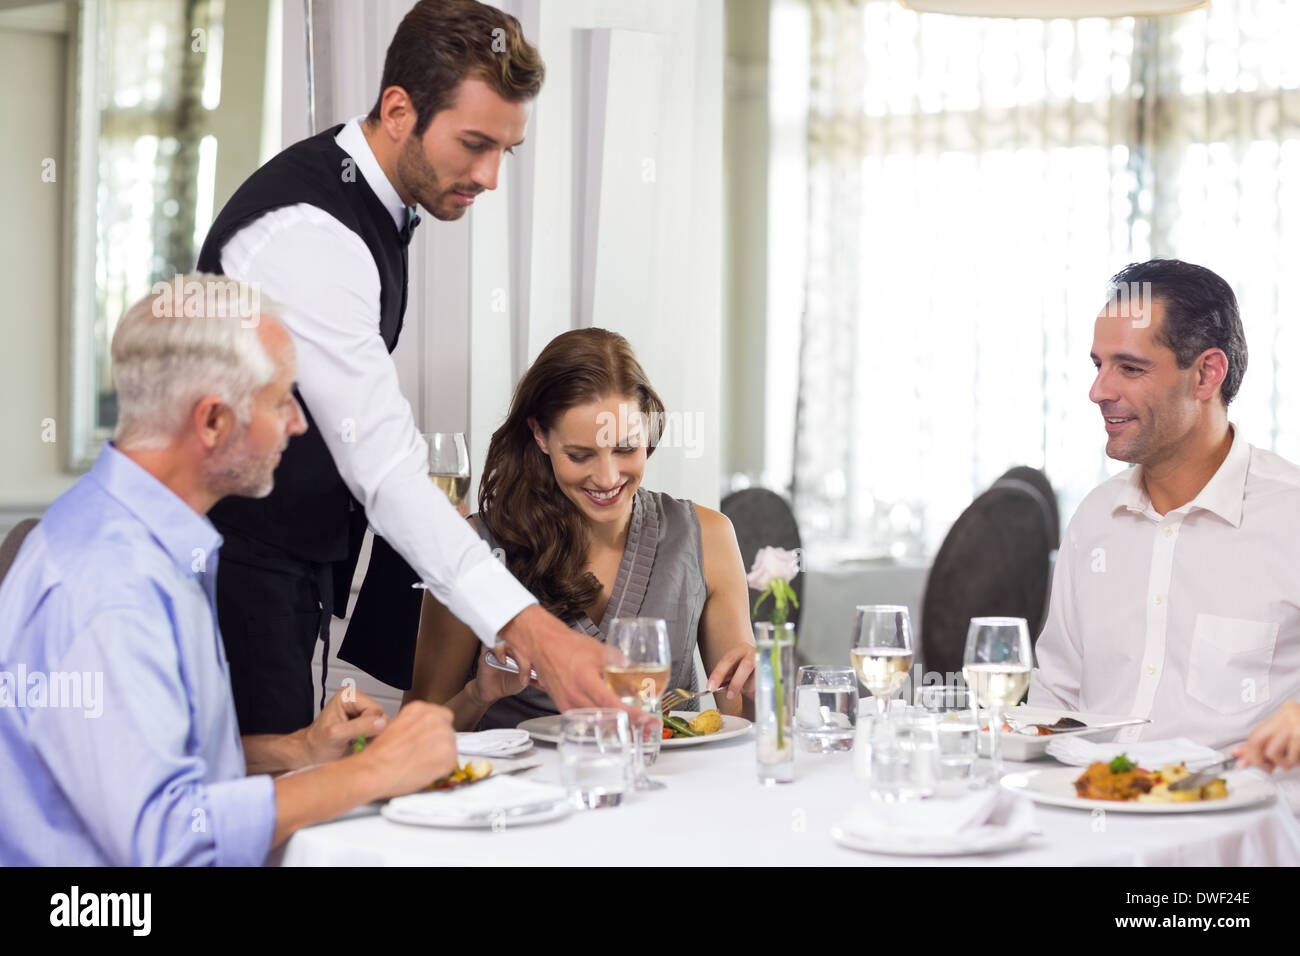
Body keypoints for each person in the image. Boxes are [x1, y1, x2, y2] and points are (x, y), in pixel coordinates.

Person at [194, 0, 628, 736]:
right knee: (260, 818)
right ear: (399, 109)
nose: (490, 176)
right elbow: (385, 466)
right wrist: (532, 629)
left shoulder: (370, 206)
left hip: (292, 567)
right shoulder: (313, 235)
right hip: (240, 568)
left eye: (505, 151)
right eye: (473, 143)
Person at [0, 279, 456, 865]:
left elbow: (143, 761)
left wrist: (299, 749)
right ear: (213, 421)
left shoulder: (135, 535)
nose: (296, 424)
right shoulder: (111, 585)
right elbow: (168, 844)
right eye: (280, 400)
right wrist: (373, 772)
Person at [404, 329, 757, 730]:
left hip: (664, 788)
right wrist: (478, 694)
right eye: (579, 455)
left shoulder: (708, 537)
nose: (607, 478)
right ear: (540, 435)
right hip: (519, 790)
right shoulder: (476, 548)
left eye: (626, 449)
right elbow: (413, 737)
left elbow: (739, 726)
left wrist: (757, 687)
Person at [1029, 259, 1300, 752]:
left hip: (1240, 821)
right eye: (1098, 365)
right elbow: (1054, 705)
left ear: (1206, 374)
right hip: (1090, 812)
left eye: (1129, 368)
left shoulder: (1290, 518)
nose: (1098, 392)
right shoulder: (1095, 520)